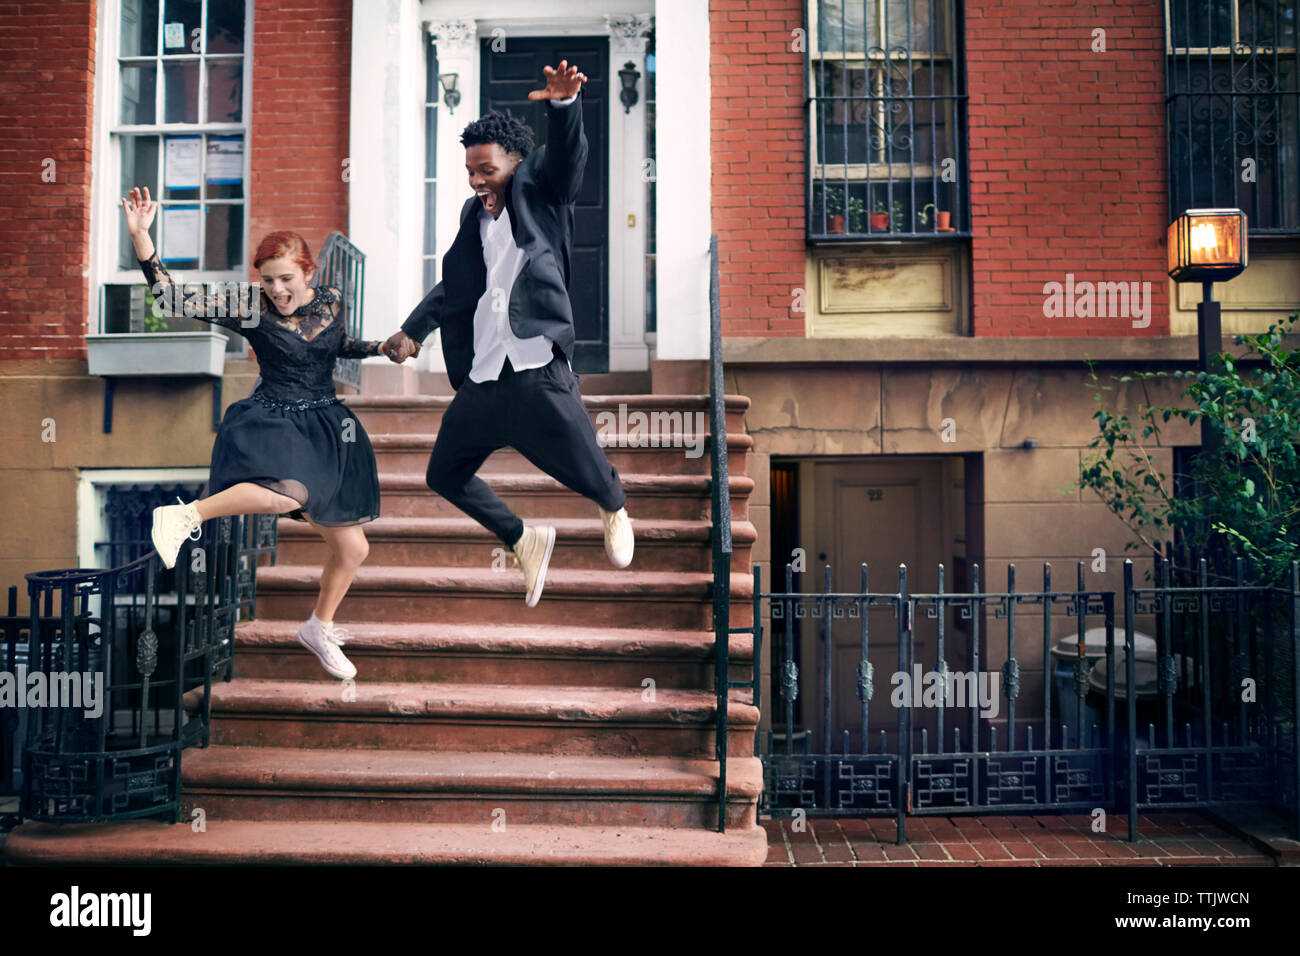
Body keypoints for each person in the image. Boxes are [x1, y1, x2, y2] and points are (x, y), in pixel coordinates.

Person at [120, 186, 406, 680]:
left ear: (310, 272)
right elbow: (169, 295)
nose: (277, 290)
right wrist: (143, 238)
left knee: (354, 549)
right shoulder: (250, 307)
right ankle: (182, 516)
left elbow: (337, 346)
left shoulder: (332, 302)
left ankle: (318, 627)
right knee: (282, 496)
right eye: (269, 280)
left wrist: (383, 346)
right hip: (273, 417)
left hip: (324, 426)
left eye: (286, 279)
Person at [382, 60, 633, 608]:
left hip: (537, 363)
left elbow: (567, 160)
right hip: (484, 378)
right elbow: (454, 287)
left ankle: (613, 506)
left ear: (515, 166)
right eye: (470, 172)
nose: (477, 181)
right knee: (444, 473)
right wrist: (413, 330)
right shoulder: (473, 219)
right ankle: (523, 538)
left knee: (586, 464)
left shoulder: (540, 193)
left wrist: (564, 108)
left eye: (487, 171)